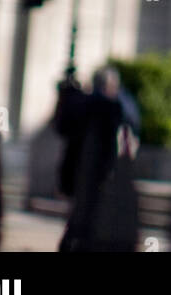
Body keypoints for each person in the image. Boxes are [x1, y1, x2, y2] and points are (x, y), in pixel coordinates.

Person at [57, 66, 141, 251]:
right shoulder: (112, 106)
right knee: (87, 219)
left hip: (81, 172)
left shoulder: (83, 104)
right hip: (99, 172)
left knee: (80, 219)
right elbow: (132, 123)